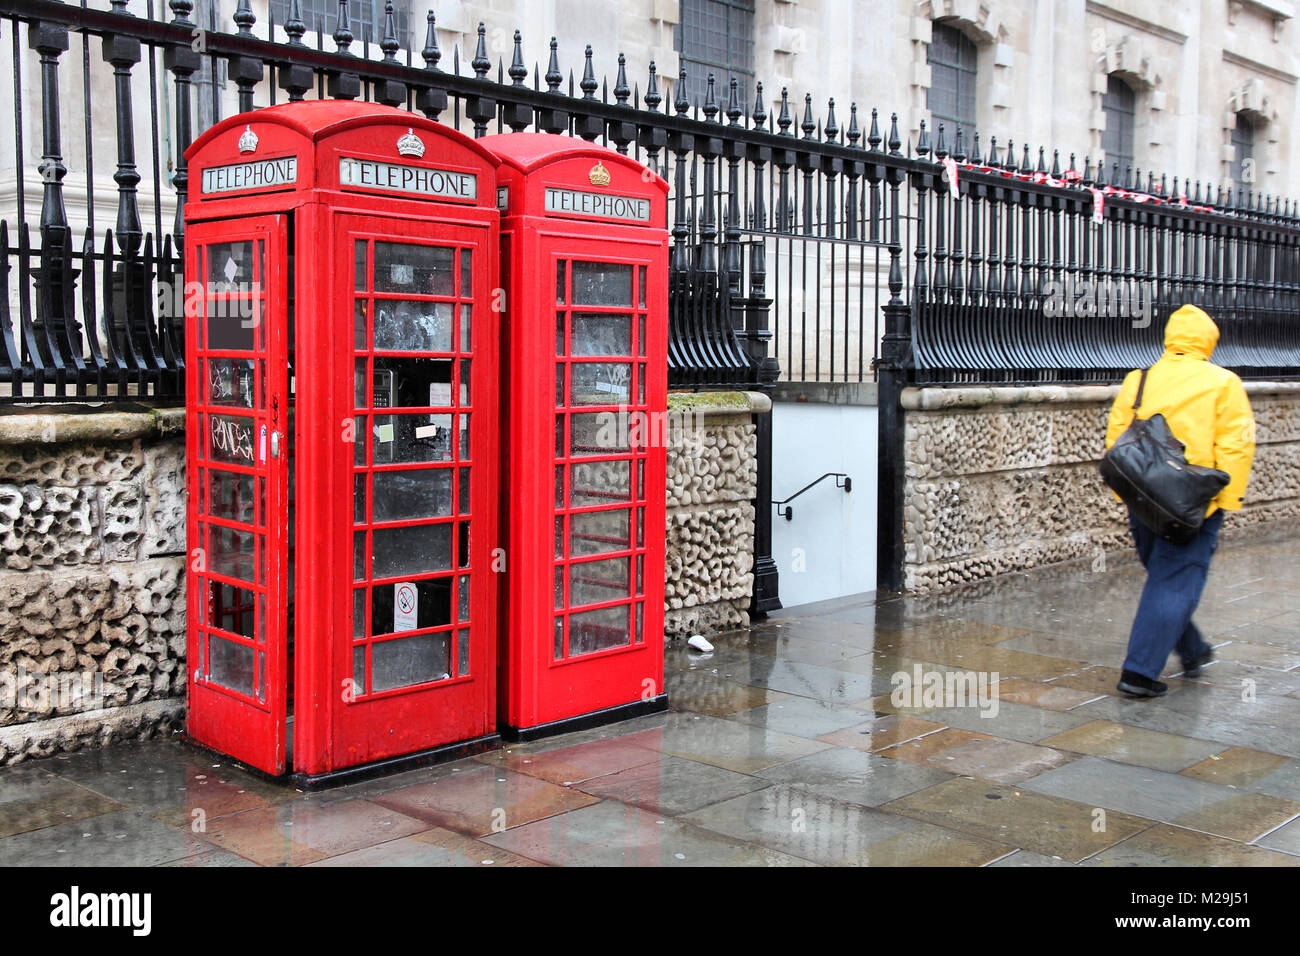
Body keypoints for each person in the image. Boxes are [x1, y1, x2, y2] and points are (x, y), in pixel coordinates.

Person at [1104, 304, 1255, 698]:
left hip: (1144, 499)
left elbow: (1117, 438)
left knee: (1167, 577)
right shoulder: (1223, 383)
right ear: (1208, 340)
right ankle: (1138, 672)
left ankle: (1192, 649)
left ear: (1170, 338)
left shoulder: (1139, 379)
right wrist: (1226, 501)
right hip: (1192, 503)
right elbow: (1236, 446)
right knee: (1174, 582)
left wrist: (1132, 490)